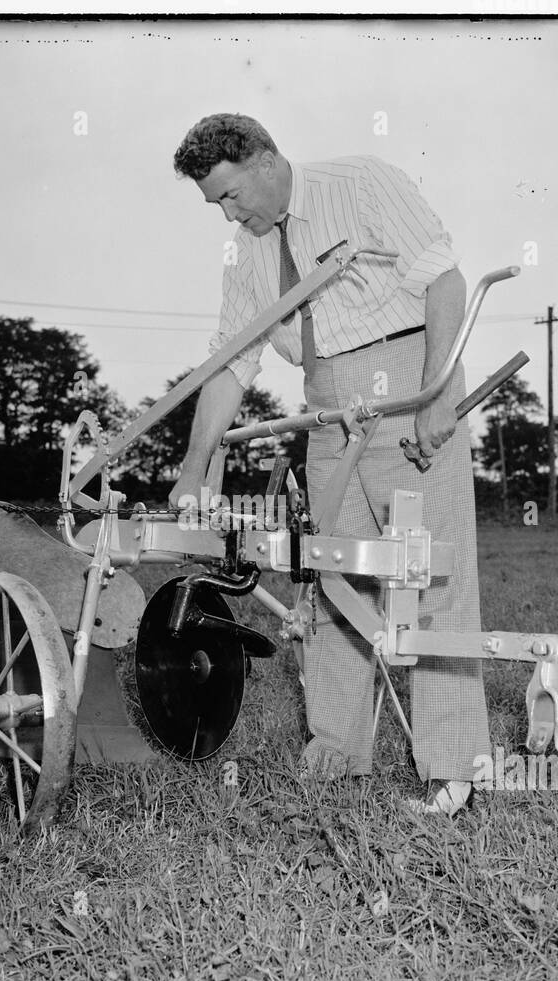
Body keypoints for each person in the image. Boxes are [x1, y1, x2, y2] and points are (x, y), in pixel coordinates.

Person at [168, 113, 486, 816]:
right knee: (333, 577)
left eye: (228, 196)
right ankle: (337, 755)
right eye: (215, 204)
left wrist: (436, 394)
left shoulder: (361, 183)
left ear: (262, 160)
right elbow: (229, 364)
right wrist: (193, 468)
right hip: (325, 405)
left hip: (408, 379)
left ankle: (451, 768)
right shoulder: (247, 253)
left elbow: (445, 284)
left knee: (429, 571)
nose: (228, 213)